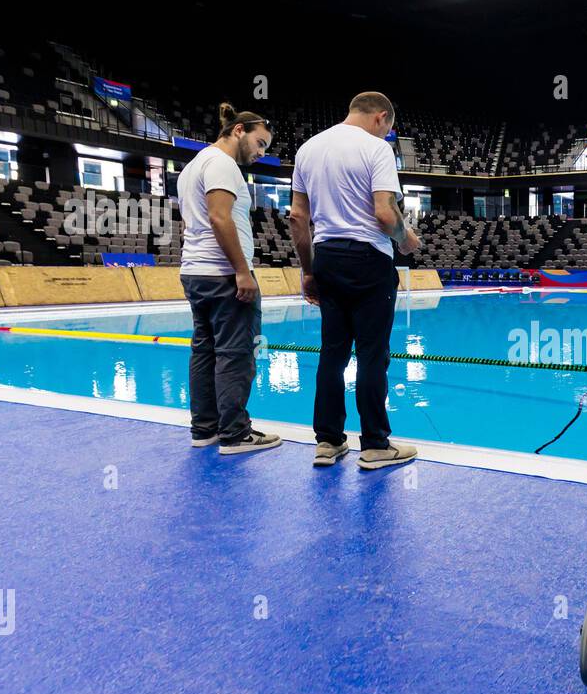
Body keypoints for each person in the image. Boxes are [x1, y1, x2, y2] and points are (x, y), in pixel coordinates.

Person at [289, 91, 421, 469]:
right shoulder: (376, 149)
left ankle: (328, 442)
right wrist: (405, 238)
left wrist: (309, 270)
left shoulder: (308, 149)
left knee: (332, 354)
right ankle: (375, 445)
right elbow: (384, 212)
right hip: (368, 259)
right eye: (387, 130)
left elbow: (298, 218)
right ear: (381, 118)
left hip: (326, 256)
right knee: (371, 355)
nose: (385, 136)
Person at [176, 102, 282, 455]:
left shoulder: (194, 165)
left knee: (204, 351)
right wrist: (241, 271)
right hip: (223, 274)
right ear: (240, 131)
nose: (261, 152)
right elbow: (220, 218)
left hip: (195, 272)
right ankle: (235, 434)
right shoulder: (222, 165)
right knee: (235, 354)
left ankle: (204, 430)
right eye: (260, 143)